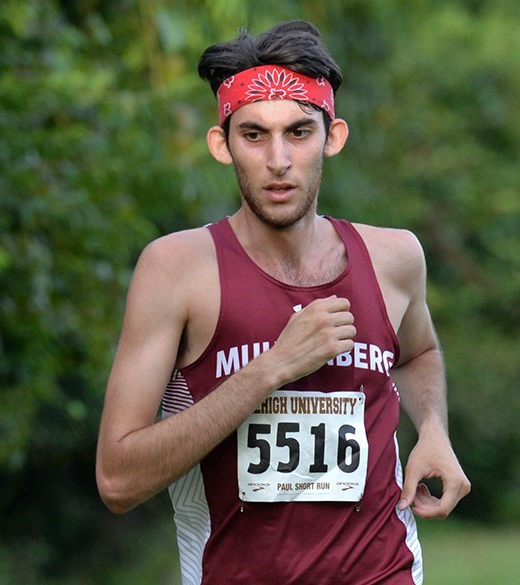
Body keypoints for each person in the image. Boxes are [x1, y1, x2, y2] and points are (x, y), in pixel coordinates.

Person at [96, 20, 470, 585]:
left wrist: (435, 432)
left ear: (333, 136)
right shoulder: (177, 270)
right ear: (222, 145)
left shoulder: (395, 258)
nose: (278, 160)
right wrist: (271, 370)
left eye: (298, 132)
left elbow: (416, 354)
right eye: (253, 135)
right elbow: (118, 480)